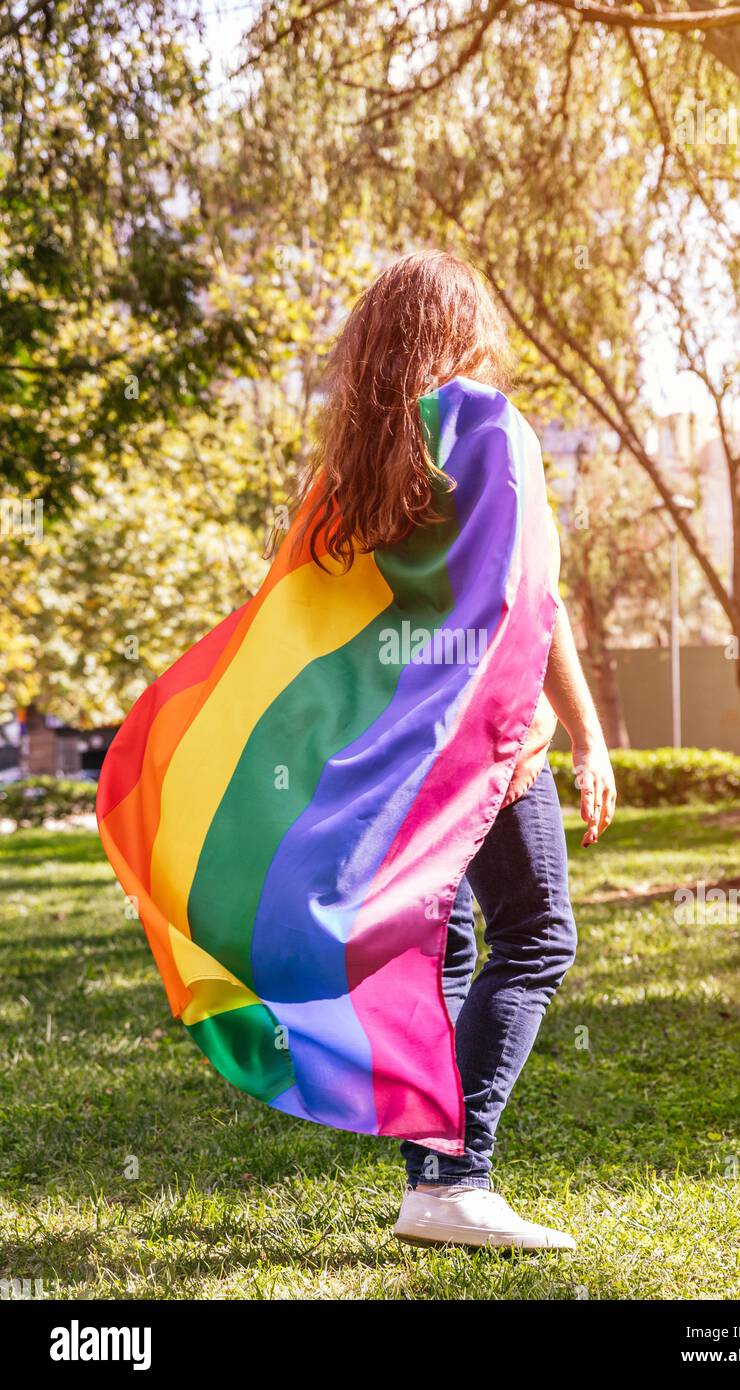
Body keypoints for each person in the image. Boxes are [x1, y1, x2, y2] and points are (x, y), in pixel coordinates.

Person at [291, 250, 616, 1249]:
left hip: (398, 740)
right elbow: (528, 595)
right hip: (483, 732)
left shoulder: (357, 458)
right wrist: (550, 727)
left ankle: (435, 1184)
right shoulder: (486, 421)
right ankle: (452, 1181)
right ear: (459, 323)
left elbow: (319, 612)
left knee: (453, 952)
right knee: (537, 932)